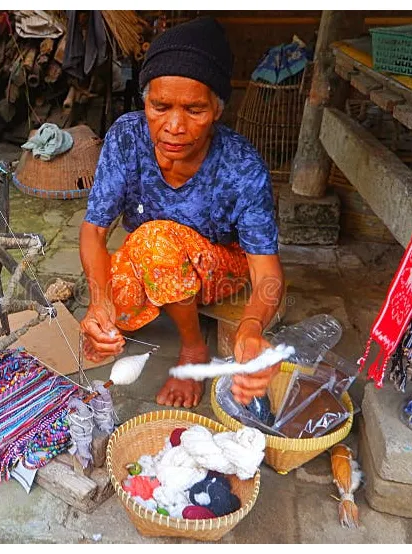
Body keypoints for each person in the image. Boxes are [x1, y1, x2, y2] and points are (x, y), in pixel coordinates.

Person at [79, 16, 284, 409]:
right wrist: (99, 302)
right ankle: (130, 308)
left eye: (194, 110)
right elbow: (93, 231)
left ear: (217, 110)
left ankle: (193, 350)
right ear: (145, 102)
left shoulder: (241, 165)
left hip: (219, 267)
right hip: (154, 259)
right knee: (109, 318)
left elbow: (267, 271)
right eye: (160, 106)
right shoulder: (126, 137)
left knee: (155, 239)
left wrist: (252, 326)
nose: (173, 125)